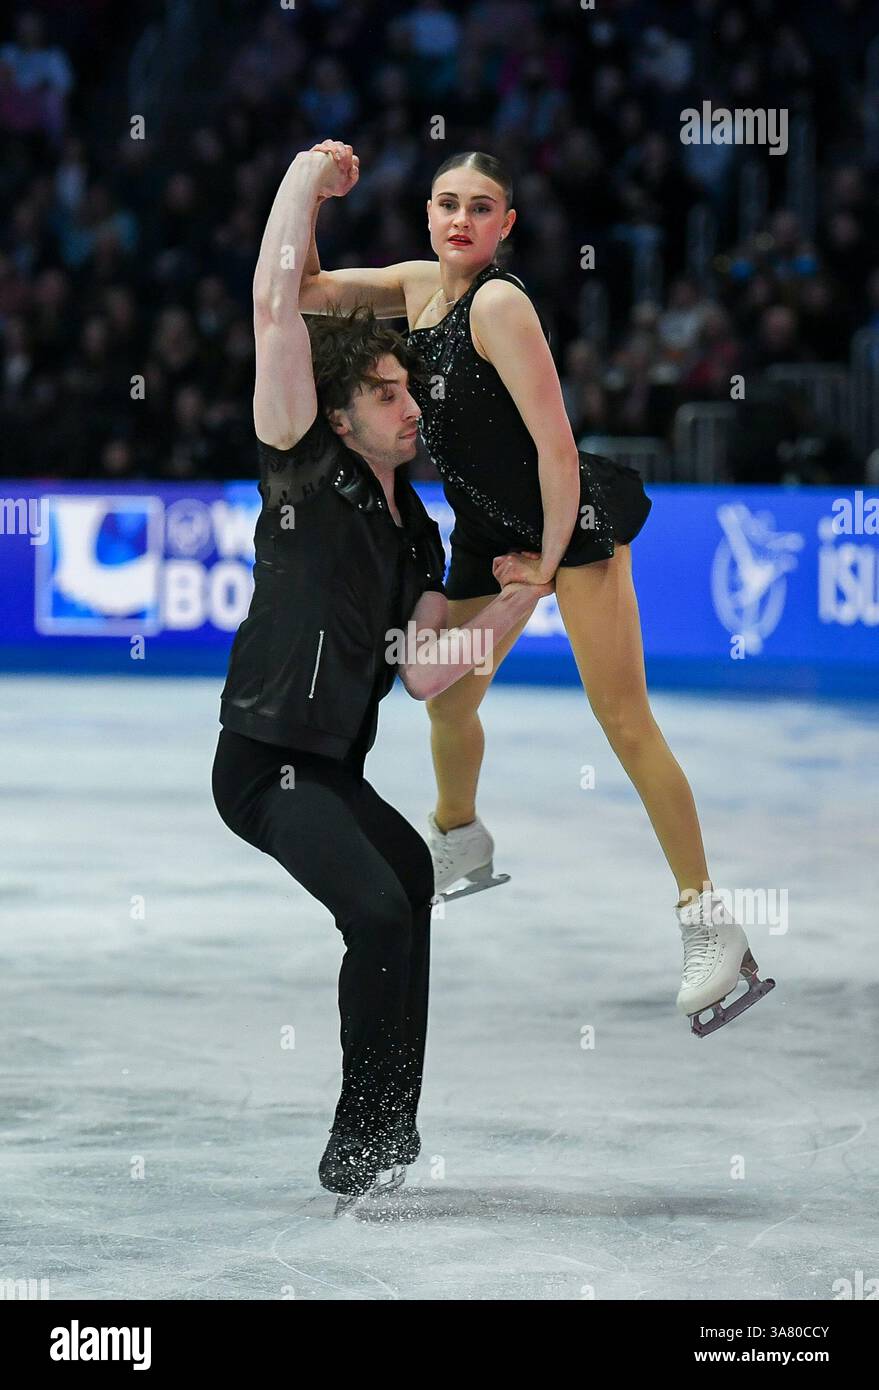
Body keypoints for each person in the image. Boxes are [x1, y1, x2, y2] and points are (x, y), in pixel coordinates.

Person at [299, 143, 775, 1035]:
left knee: (623, 721)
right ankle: (461, 835)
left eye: (480, 208)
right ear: (427, 212)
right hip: (488, 534)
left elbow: (556, 448)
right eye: (447, 203)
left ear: (504, 224)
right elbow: (306, 290)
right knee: (447, 697)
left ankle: (710, 921)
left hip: (572, 526)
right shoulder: (412, 286)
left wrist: (549, 566)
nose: (459, 221)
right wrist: (309, 188)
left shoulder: (500, 304)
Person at [211, 143, 552, 1205]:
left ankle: (390, 1126)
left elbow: (426, 676)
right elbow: (278, 300)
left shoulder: (416, 534)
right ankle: (356, 1137)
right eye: (392, 393)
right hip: (266, 763)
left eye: (413, 390)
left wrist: (517, 599)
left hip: (336, 769)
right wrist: (306, 177)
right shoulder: (299, 454)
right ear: (343, 409)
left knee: (409, 883)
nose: (415, 409)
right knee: (374, 906)